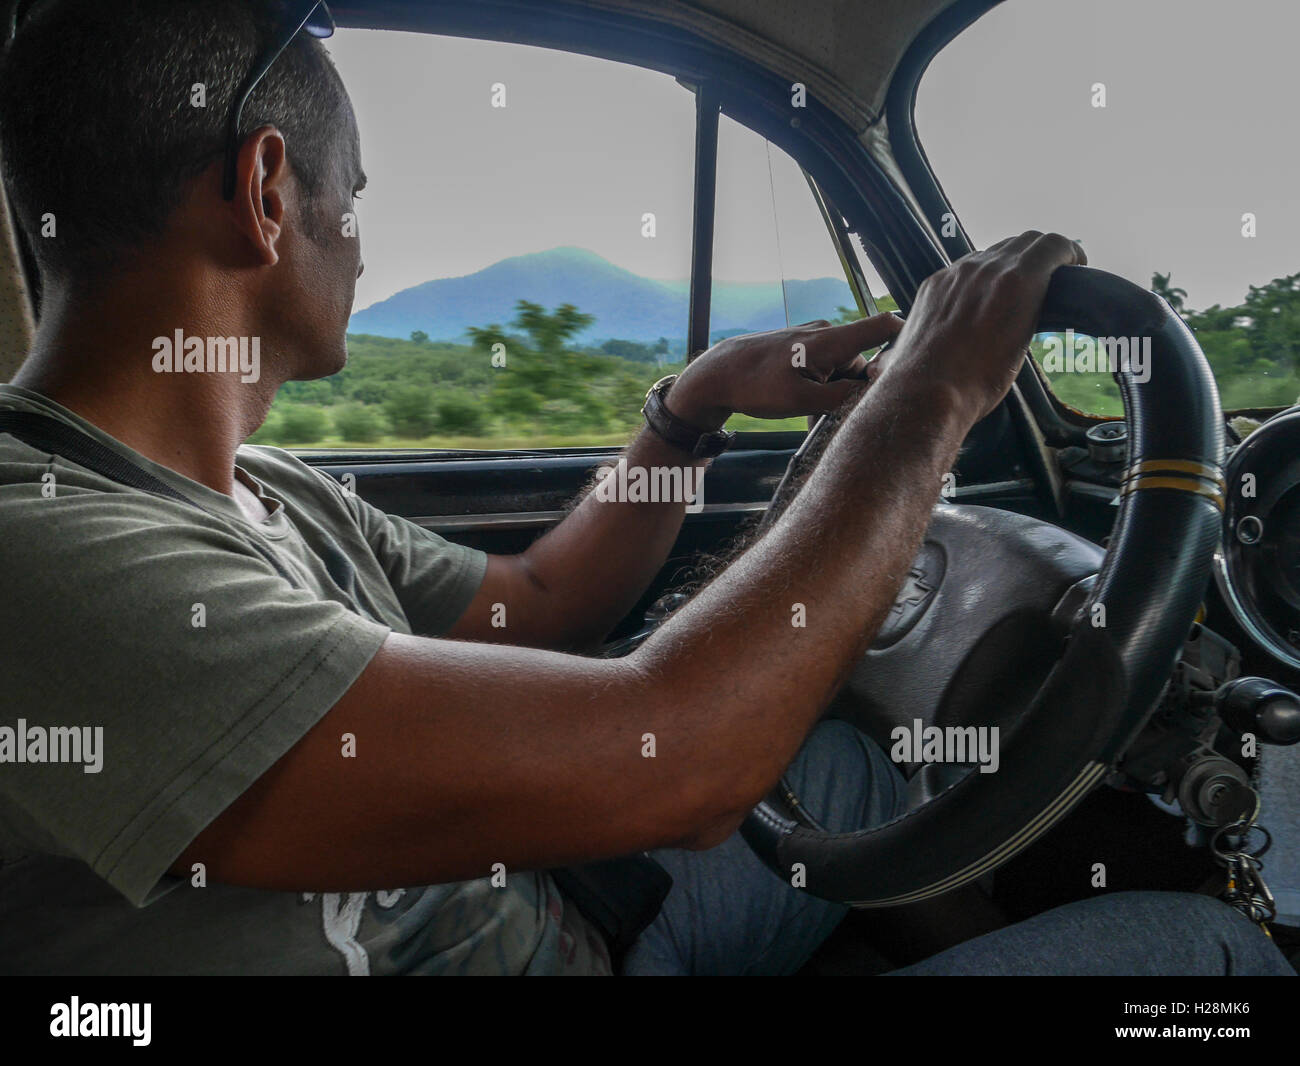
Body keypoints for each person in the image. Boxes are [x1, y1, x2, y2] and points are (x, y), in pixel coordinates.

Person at [0, 0, 1289, 976]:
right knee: (1205, 958)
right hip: (578, 912)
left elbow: (542, 598)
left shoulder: (266, 495)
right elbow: (682, 762)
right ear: (266, 190)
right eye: (354, 200)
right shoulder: (47, 560)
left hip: (565, 911)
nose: (358, 239)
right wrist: (925, 400)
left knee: (847, 776)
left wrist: (698, 402)